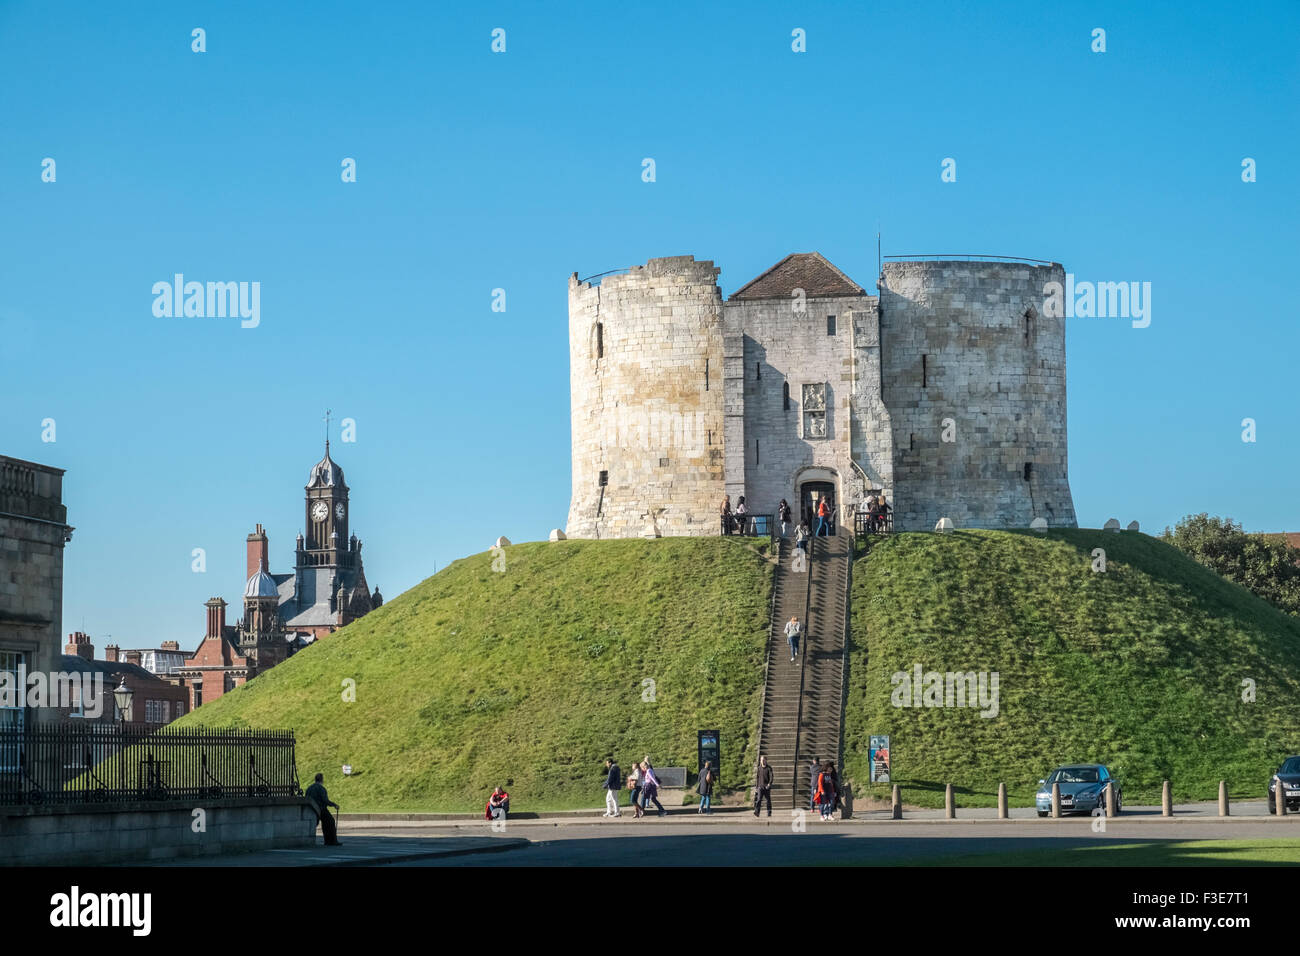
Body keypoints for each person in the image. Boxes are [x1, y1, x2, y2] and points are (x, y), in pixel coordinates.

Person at [305, 772, 341, 846]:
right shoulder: (321, 788)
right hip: (321, 809)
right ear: (322, 780)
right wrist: (334, 805)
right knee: (330, 821)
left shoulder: (309, 788)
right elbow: (325, 801)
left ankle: (327, 841)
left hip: (311, 809)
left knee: (325, 823)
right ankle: (331, 841)